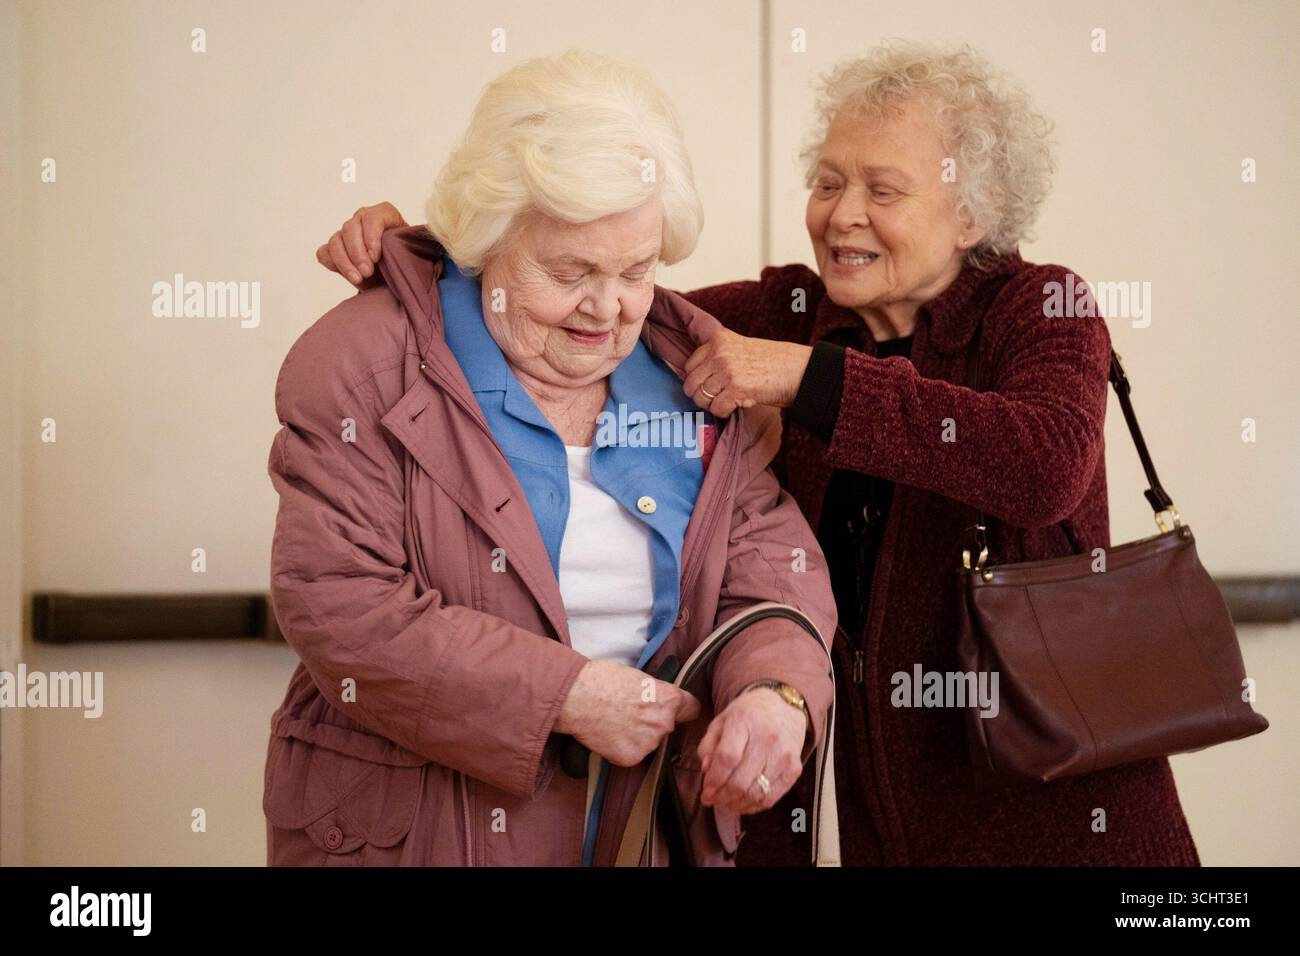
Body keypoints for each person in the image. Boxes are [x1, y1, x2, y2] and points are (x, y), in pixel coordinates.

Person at [318, 40, 1200, 865]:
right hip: (875, 818)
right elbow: (587, 276)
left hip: (1058, 815)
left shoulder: (1040, 307)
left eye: (882, 191)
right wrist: (423, 257)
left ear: (971, 212)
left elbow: (1042, 464)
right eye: (828, 181)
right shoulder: (787, 311)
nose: (842, 213)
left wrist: (809, 379)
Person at [266, 49, 837, 867]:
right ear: (487, 239)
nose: (607, 307)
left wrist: (776, 693)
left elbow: (772, 566)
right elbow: (340, 604)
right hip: (423, 836)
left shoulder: (691, 374)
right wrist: (566, 696)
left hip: (636, 835)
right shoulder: (360, 365)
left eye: (636, 270)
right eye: (570, 271)